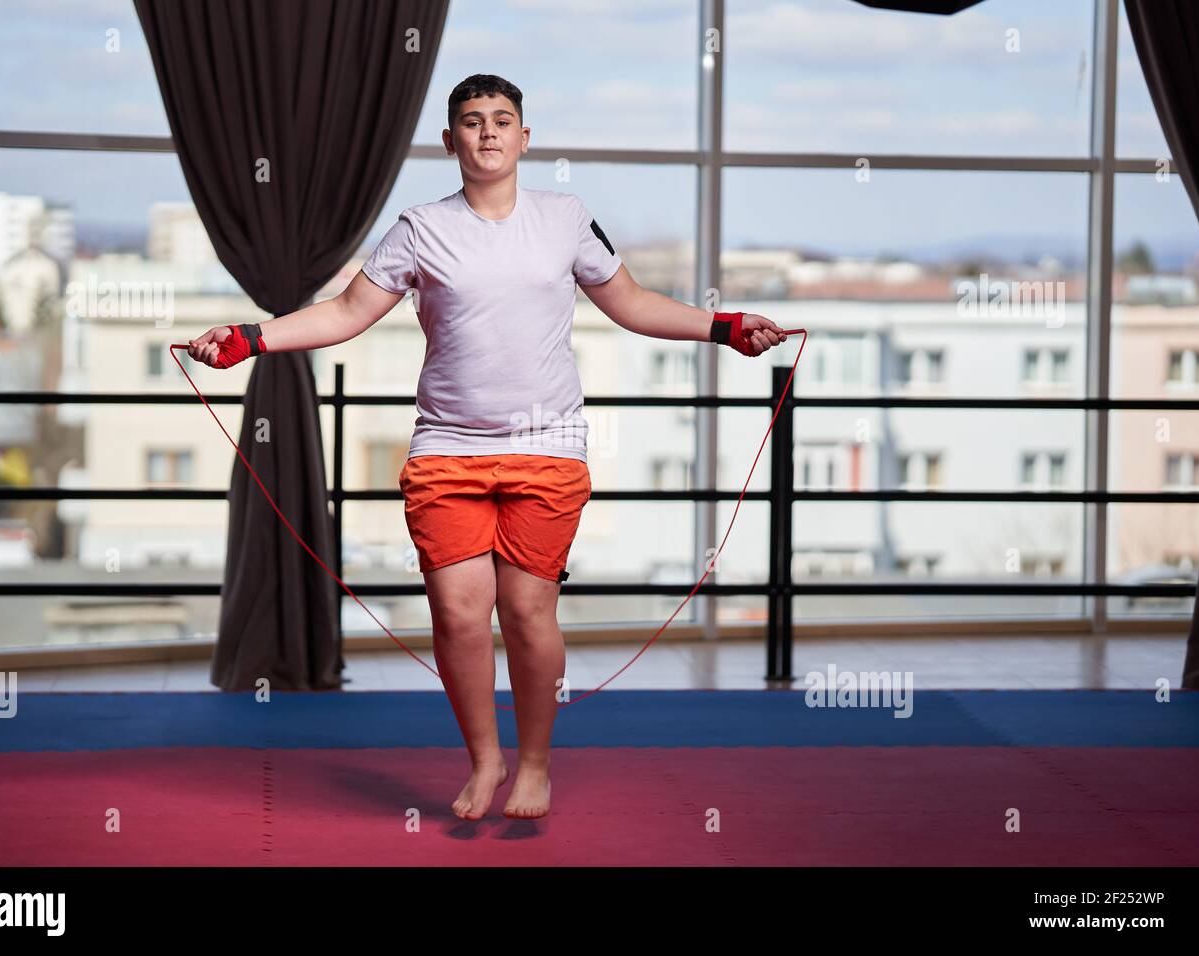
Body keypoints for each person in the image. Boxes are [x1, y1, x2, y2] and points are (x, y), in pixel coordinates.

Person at [187, 74, 786, 821]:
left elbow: (631, 304)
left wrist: (725, 328)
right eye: (472, 121)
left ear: (525, 138)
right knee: (459, 614)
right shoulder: (419, 229)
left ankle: (534, 763)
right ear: (451, 141)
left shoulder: (566, 219)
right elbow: (345, 314)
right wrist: (249, 339)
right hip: (446, 449)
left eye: (503, 120)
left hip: (547, 445)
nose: (488, 132)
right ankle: (485, 758)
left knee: (528, 612)